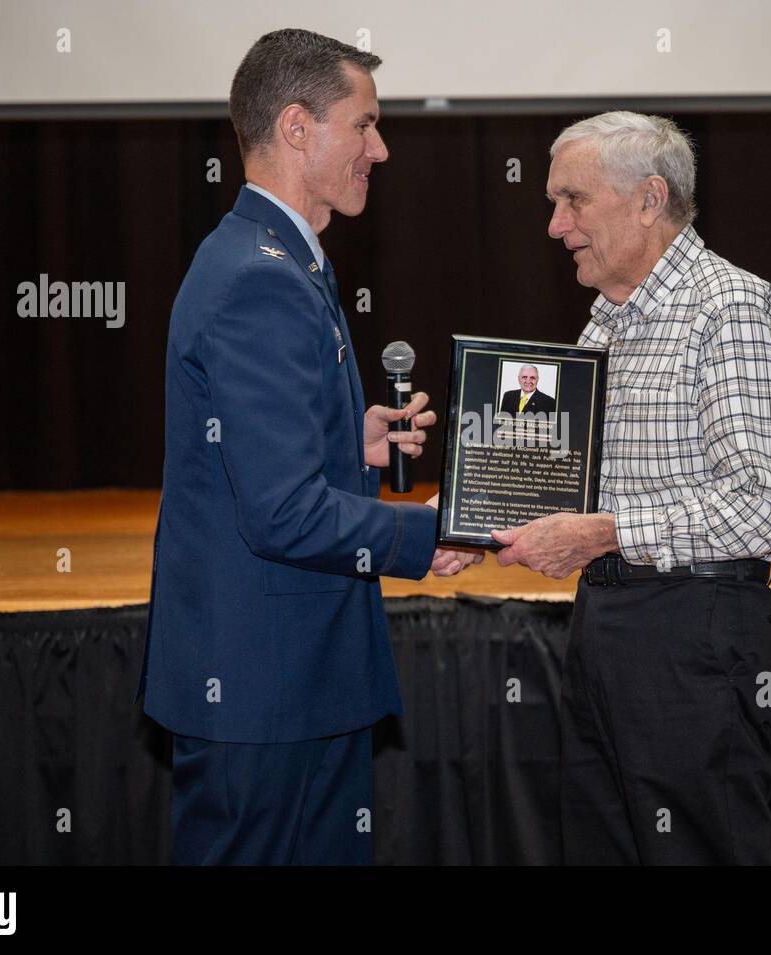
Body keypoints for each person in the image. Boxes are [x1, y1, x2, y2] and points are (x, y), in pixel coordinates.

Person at [135, 28, 480, 866]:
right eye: (363, 125)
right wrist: (427, 531)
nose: (381, 148)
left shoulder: (279, 257)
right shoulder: (262, 275)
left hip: (287, 680)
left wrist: (343, 444)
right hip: (262, 690)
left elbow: (255, 461)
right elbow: (281, 514)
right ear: (297, 127)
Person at [493, 111, 771, 865]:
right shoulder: (606, 323)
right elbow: (563, 480)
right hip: (607, 621)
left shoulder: (730, 310)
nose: (555, 225)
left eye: (573, 200)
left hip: (691, 633)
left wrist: (606, 533)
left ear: (648, 199)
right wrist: (470, 520)